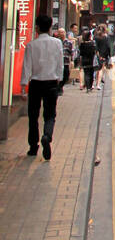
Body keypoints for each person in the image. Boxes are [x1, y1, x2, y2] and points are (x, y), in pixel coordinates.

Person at [21, 14, 65, 159]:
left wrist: (23, 87)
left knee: (33, 116)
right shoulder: (57, 43)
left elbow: (27, 68)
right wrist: (59, 79)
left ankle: (33, 147)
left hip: (35, 84)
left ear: (37, 27)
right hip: (52, 83)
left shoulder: (31, 45)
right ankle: (47, 135)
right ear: (50, 27)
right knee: (50, 114)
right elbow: (60, 64)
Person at [94, 23, 112, 90]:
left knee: (97, 69)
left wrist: (97, 54)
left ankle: (95, 83)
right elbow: (108, 46)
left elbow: (95, 47)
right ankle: (98, 84)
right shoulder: (106, 37)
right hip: (104, 55)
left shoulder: (96, 37)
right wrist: (110, 55)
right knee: (101, 69)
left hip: (97, 55)